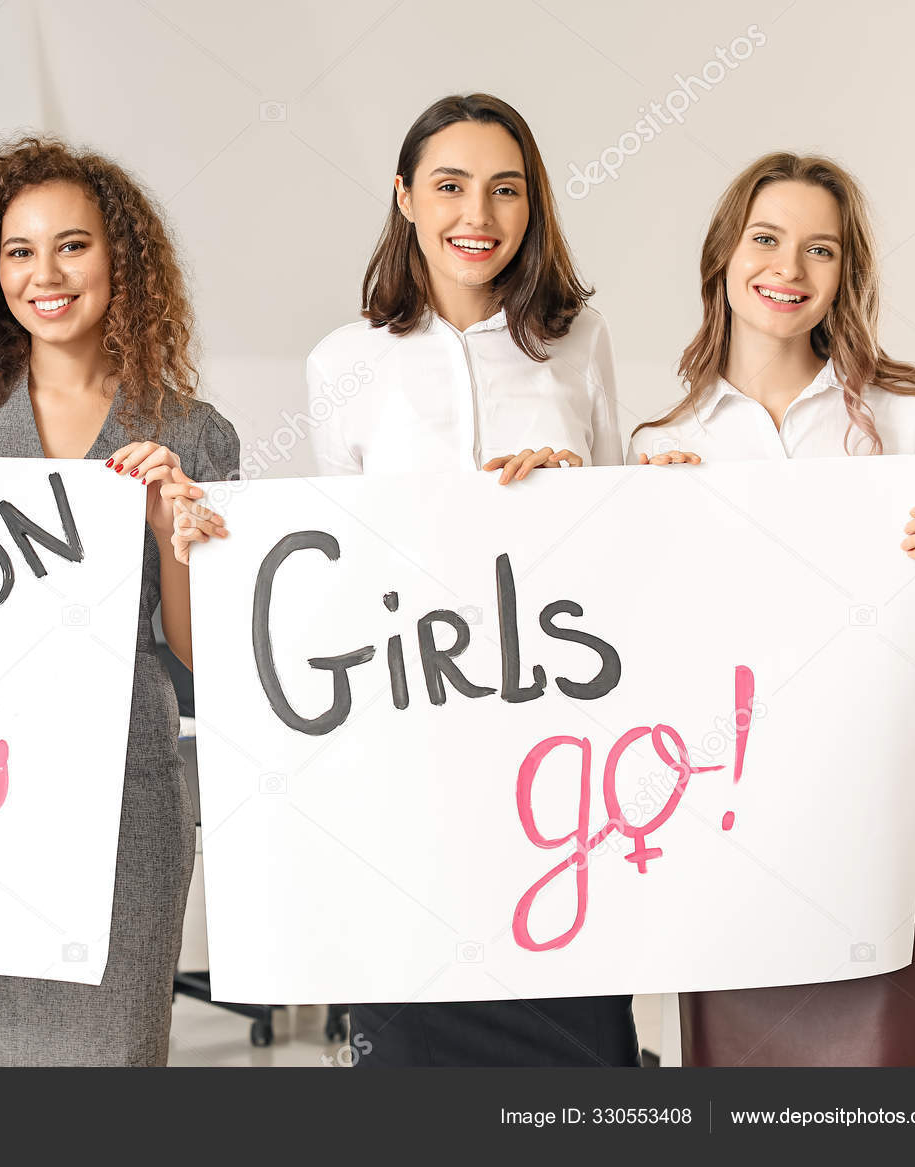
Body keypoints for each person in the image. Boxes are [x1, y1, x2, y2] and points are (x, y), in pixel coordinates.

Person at [175, 93, 636, 1067]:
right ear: (405, 198)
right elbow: (341, 562)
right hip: (408, 760)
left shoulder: (577, 341)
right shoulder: (345, 361)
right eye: (451, 186)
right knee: (413, 1050)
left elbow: (619, 542)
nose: (479, 214)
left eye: (505, 190)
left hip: (554, 752)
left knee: (577, 1041)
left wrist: (579, 497)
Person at [0, 136, 238, 1065]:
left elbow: (202, 658)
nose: (46, 274)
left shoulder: (191, 434)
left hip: (125, 800)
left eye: (72, 245)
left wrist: (166, 529)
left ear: (121, 259)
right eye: (19, 252)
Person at [629, 152, 915, 1065]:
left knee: (882, 1080)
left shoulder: (910, 425)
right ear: (724, 258)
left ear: (844, 274)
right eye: (766, 239)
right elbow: (638, 657)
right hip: (726, 808)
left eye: (818, 249)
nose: (788, 268)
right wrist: (649, 544)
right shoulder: (665, 448)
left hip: (888, 788)